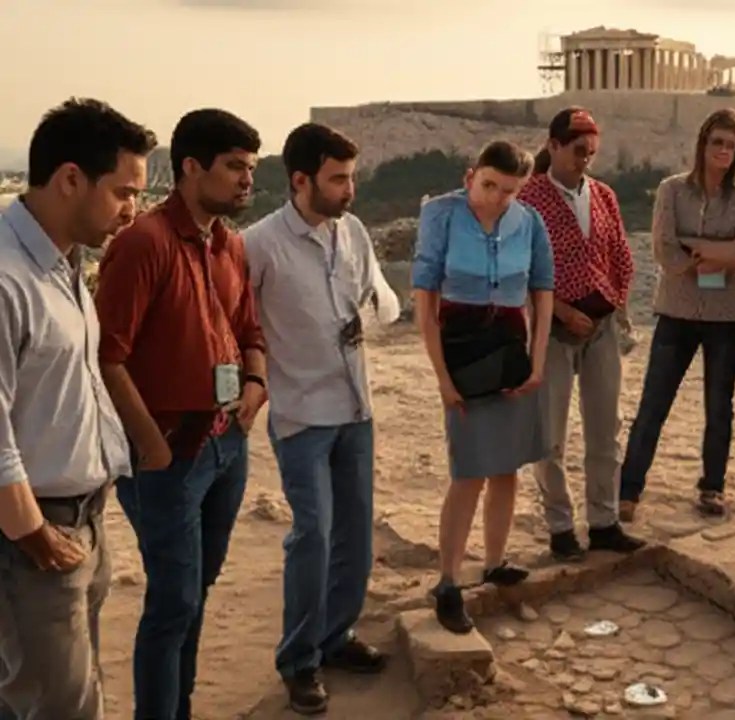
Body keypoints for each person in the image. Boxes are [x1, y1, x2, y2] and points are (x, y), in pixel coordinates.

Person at [96, 108, 267, 720]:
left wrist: (255, 382)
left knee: (193, 594)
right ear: (190, 167)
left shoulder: (230, 244)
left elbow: (250, 329)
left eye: (250, 167)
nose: (247, 180)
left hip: (226, 445)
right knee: (171, 603)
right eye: (234, 167)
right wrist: (153, 448)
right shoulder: (143, 244)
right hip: (169, 453)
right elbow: (107, 357)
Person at [0, 98, 155, 720]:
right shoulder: (8, 279)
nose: (132, 209)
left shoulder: (65, 264)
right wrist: (33, 532)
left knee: (66, 692)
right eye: (123, 192)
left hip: (81, 520)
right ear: (70, 179)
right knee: (56, 707)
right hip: (35, 533)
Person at [243, 123, 400, 715]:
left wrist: (371, 310)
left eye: (352, 177)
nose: (349, 189)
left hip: (356, 409)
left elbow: (384, 299)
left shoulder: (352, 231)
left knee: (354, 540)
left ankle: (336, 637)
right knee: (312, 538)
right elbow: (239, 322)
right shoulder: (259, 244)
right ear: (301, 179)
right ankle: (299, 660)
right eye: (338, 179)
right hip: (302, 415)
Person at [412, 140, 554, 634]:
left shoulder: (529, 222)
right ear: (472, 174)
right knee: (468, 470)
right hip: (463, 344)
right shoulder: (442, 215)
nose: (496, 197)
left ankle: (495, 561)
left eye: (508, 190)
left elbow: (542, 292)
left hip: (511, 345)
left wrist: (537, 364)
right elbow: (424, 302)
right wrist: (442, 378)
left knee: (507, 467)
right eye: (489, 184)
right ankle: (448, 581)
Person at [617, 108, 735, 519]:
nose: (723, 151)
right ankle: (628, 489)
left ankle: (712, 486)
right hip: (676, 309)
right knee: (654, 401)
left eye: (732, 146)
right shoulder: (672, 190)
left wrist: (696, 246)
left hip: (727, 315)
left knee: (720, 405)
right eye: (717, 142)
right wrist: (714, 253)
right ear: (703, 144)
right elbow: (663, 249)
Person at [518, 108, 646, 561]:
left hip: (601, 326)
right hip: (553, 328)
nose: (584, 160)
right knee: (549, 433)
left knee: (604, 430)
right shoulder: (529, 200)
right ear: (553, 146)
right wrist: (565, 312)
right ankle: (559, 526)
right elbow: (524, 272)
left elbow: (619, 255)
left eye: (591, 152)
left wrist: (614, 303)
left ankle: (604, 520)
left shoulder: (604, 195)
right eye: (577, 151)